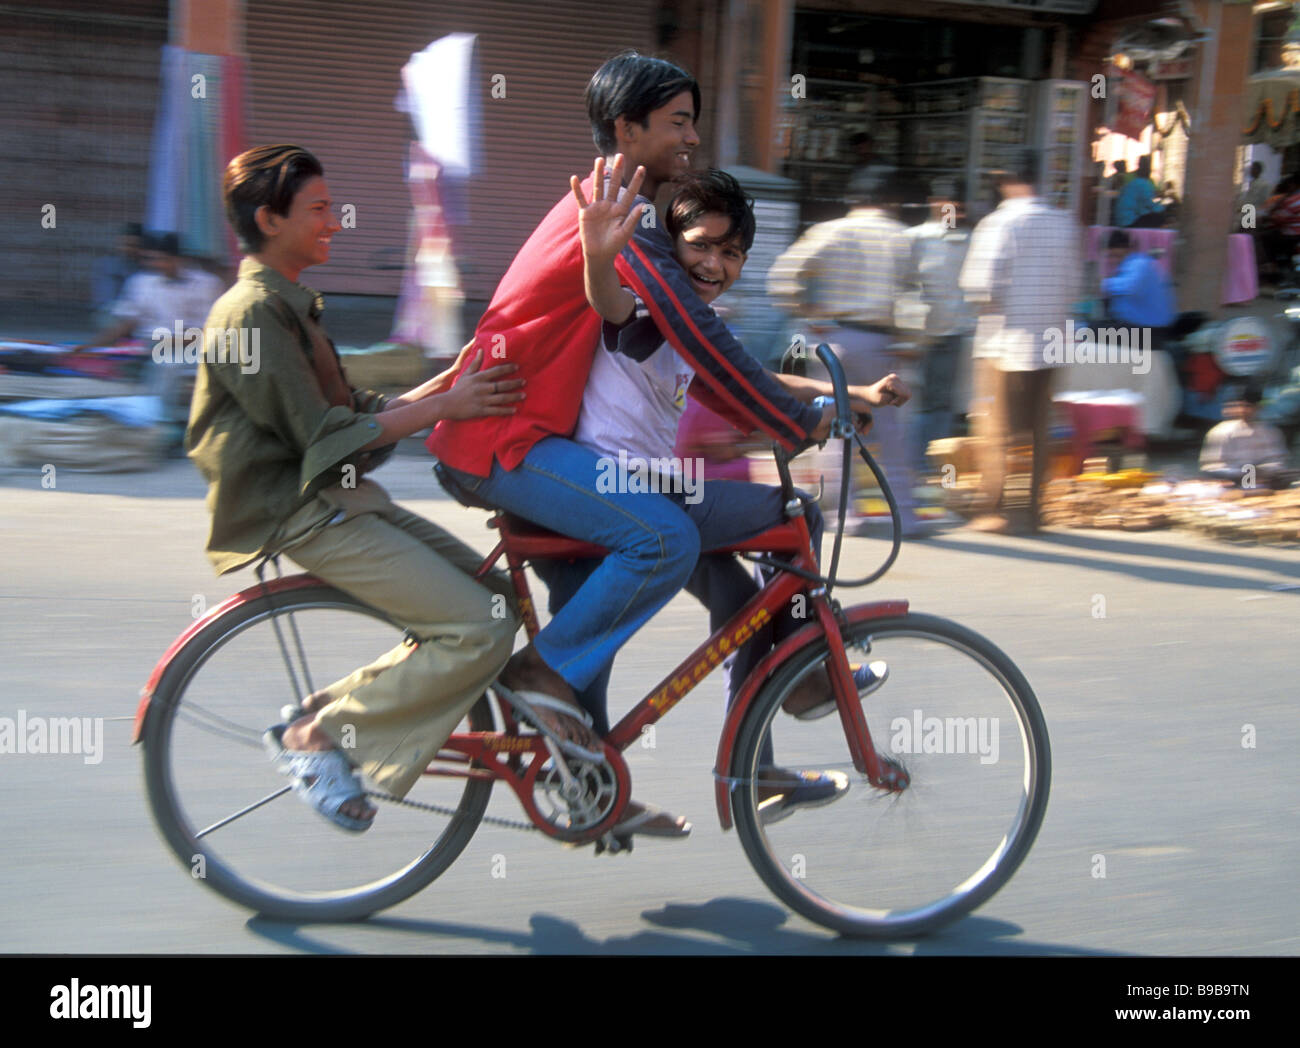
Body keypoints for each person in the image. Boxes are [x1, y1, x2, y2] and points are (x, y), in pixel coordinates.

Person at [430, 52, 867, 838]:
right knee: (662, 540)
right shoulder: (613, 210)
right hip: (512, 441)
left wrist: (811, 402)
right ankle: (542, 674)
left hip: (544, 443)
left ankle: (711, 756)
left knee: (728, 584)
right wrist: (789, 420)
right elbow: (693, 337)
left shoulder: (623, 208)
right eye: (678, 122)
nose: (693, 138)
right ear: (627, 129)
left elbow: (678, 349)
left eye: (692, 121)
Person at [542, 167, 901, 828]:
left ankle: (754, 765)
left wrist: (848, 398)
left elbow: (746, 375)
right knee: (798, 514)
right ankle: (801, 675)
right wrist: (597, 256)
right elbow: (612, 305)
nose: (715, 263)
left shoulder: (689, 319)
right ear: (672, 246)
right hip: (624, 485)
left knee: (741, 603)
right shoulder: (653, 303)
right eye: (702, 245)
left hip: (653, 484)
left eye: (731, 253)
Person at [187, 144, 524, 832]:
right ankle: (320, 739)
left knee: (497, 604)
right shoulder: (250, 314)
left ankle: (321, 714)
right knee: (476, 631)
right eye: (317, 210)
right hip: (298, 511)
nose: (334, 223)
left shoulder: (291, 305)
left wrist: (447, 385)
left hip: (339, 499)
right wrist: (442, 408)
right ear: (268, 219)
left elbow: (354, 411)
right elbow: (321, 434)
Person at [768, 170, 926, 536]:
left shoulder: (830, 231)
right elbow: (917, 295)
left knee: (836, 426)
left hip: (833, 337)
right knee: (890, 429)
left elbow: (784, 275)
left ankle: (844, 516)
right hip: (881, 341)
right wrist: (910, 342)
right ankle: (904, 513)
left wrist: (809, 312)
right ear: (891, 200)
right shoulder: (903, 237)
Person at [958, 150, 1080, 535]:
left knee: (998, 429)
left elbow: (980, 286)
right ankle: (1034, 508)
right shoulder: (1064, 223)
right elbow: (1076, 284)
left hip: (1005, 342)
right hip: (1051, 340)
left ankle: (998, 508)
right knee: (1040, 429)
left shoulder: (1000, 223)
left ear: (1005, 182)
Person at [77, 231, 226, 453]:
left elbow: (210, 329)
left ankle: (161, 429)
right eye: (149, 258)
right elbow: (127, 320)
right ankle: (131, 424)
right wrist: (93, 346)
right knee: (112, 364)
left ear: (179, 259)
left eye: (160, 258)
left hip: (193, 345)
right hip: (149, 344)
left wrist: (168, 343)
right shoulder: (141, 282)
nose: (154, 264)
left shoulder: (207, 283)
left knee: (168, 364)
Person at [905, 178, 974, 461]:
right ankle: (912, 465)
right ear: (934, 204)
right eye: (947, 204)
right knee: (909, 404)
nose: (951, 211)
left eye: (957, 207)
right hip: (912, 337)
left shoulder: (969, 241)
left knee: (940, 404)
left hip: (951, 335)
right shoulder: (914, 238)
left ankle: (931, 465)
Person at [1200, 388, 1297, 489]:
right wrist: (1246, 473)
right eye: (1239, 406)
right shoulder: (1221, 432)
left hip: (1265, 481)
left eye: (1248, 406)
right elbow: (1211, 467)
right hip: (1232, 483)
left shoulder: (1270, 432)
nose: (1243, 410)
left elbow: (1277, 461)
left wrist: (1263, 471)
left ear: (1258, 408)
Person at [1101, 229, 1175, 337]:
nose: (1113, 260)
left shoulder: (1140, 263)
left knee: (1086, 331)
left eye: (1115, 255)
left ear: (1128, 249)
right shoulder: (1126, 269)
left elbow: (1131, 287)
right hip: (1139, 329)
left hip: (1150, 332)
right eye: (1109, 256)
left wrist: (1105, 284)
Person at [90, 221, 142, 317]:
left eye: (133, 245)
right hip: (111, 312)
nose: (128, 249)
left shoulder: (146, 267)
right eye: (125, 245)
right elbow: (107, 299)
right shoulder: (108, 265)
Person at [1114, 155, 1164, 229]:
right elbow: (1149, 203)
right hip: (1130, 221)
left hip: (1121, 219)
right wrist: (1162, 208)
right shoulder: (1143, 184)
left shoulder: (1133, 183)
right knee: (1159, 218)